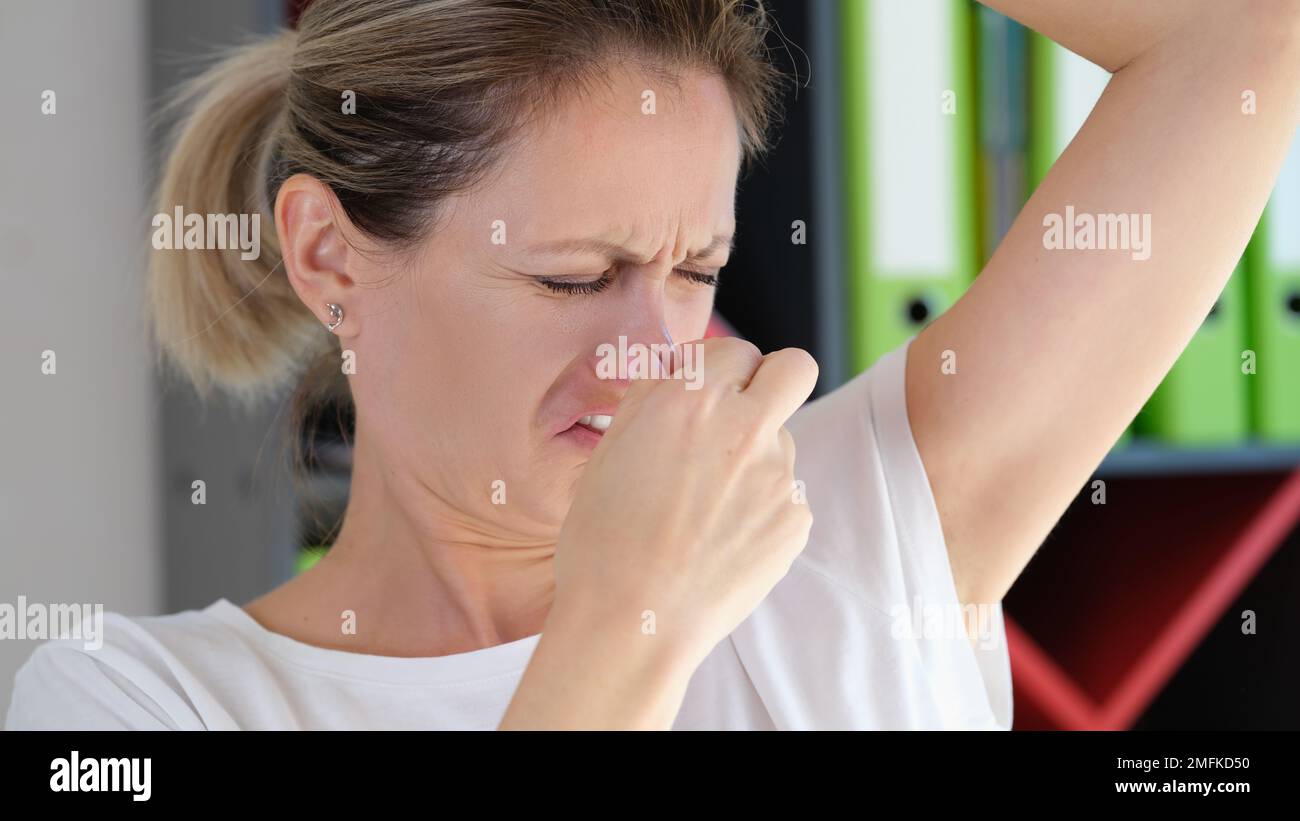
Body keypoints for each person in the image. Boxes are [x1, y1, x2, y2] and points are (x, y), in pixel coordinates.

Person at [7, 0, 1299, 730]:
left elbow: (1245, 41)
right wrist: (633, 623)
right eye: (572, 276)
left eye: (695, 270)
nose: (654, 351)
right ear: (331, 260)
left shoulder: (854, 528)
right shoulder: (128, 702)